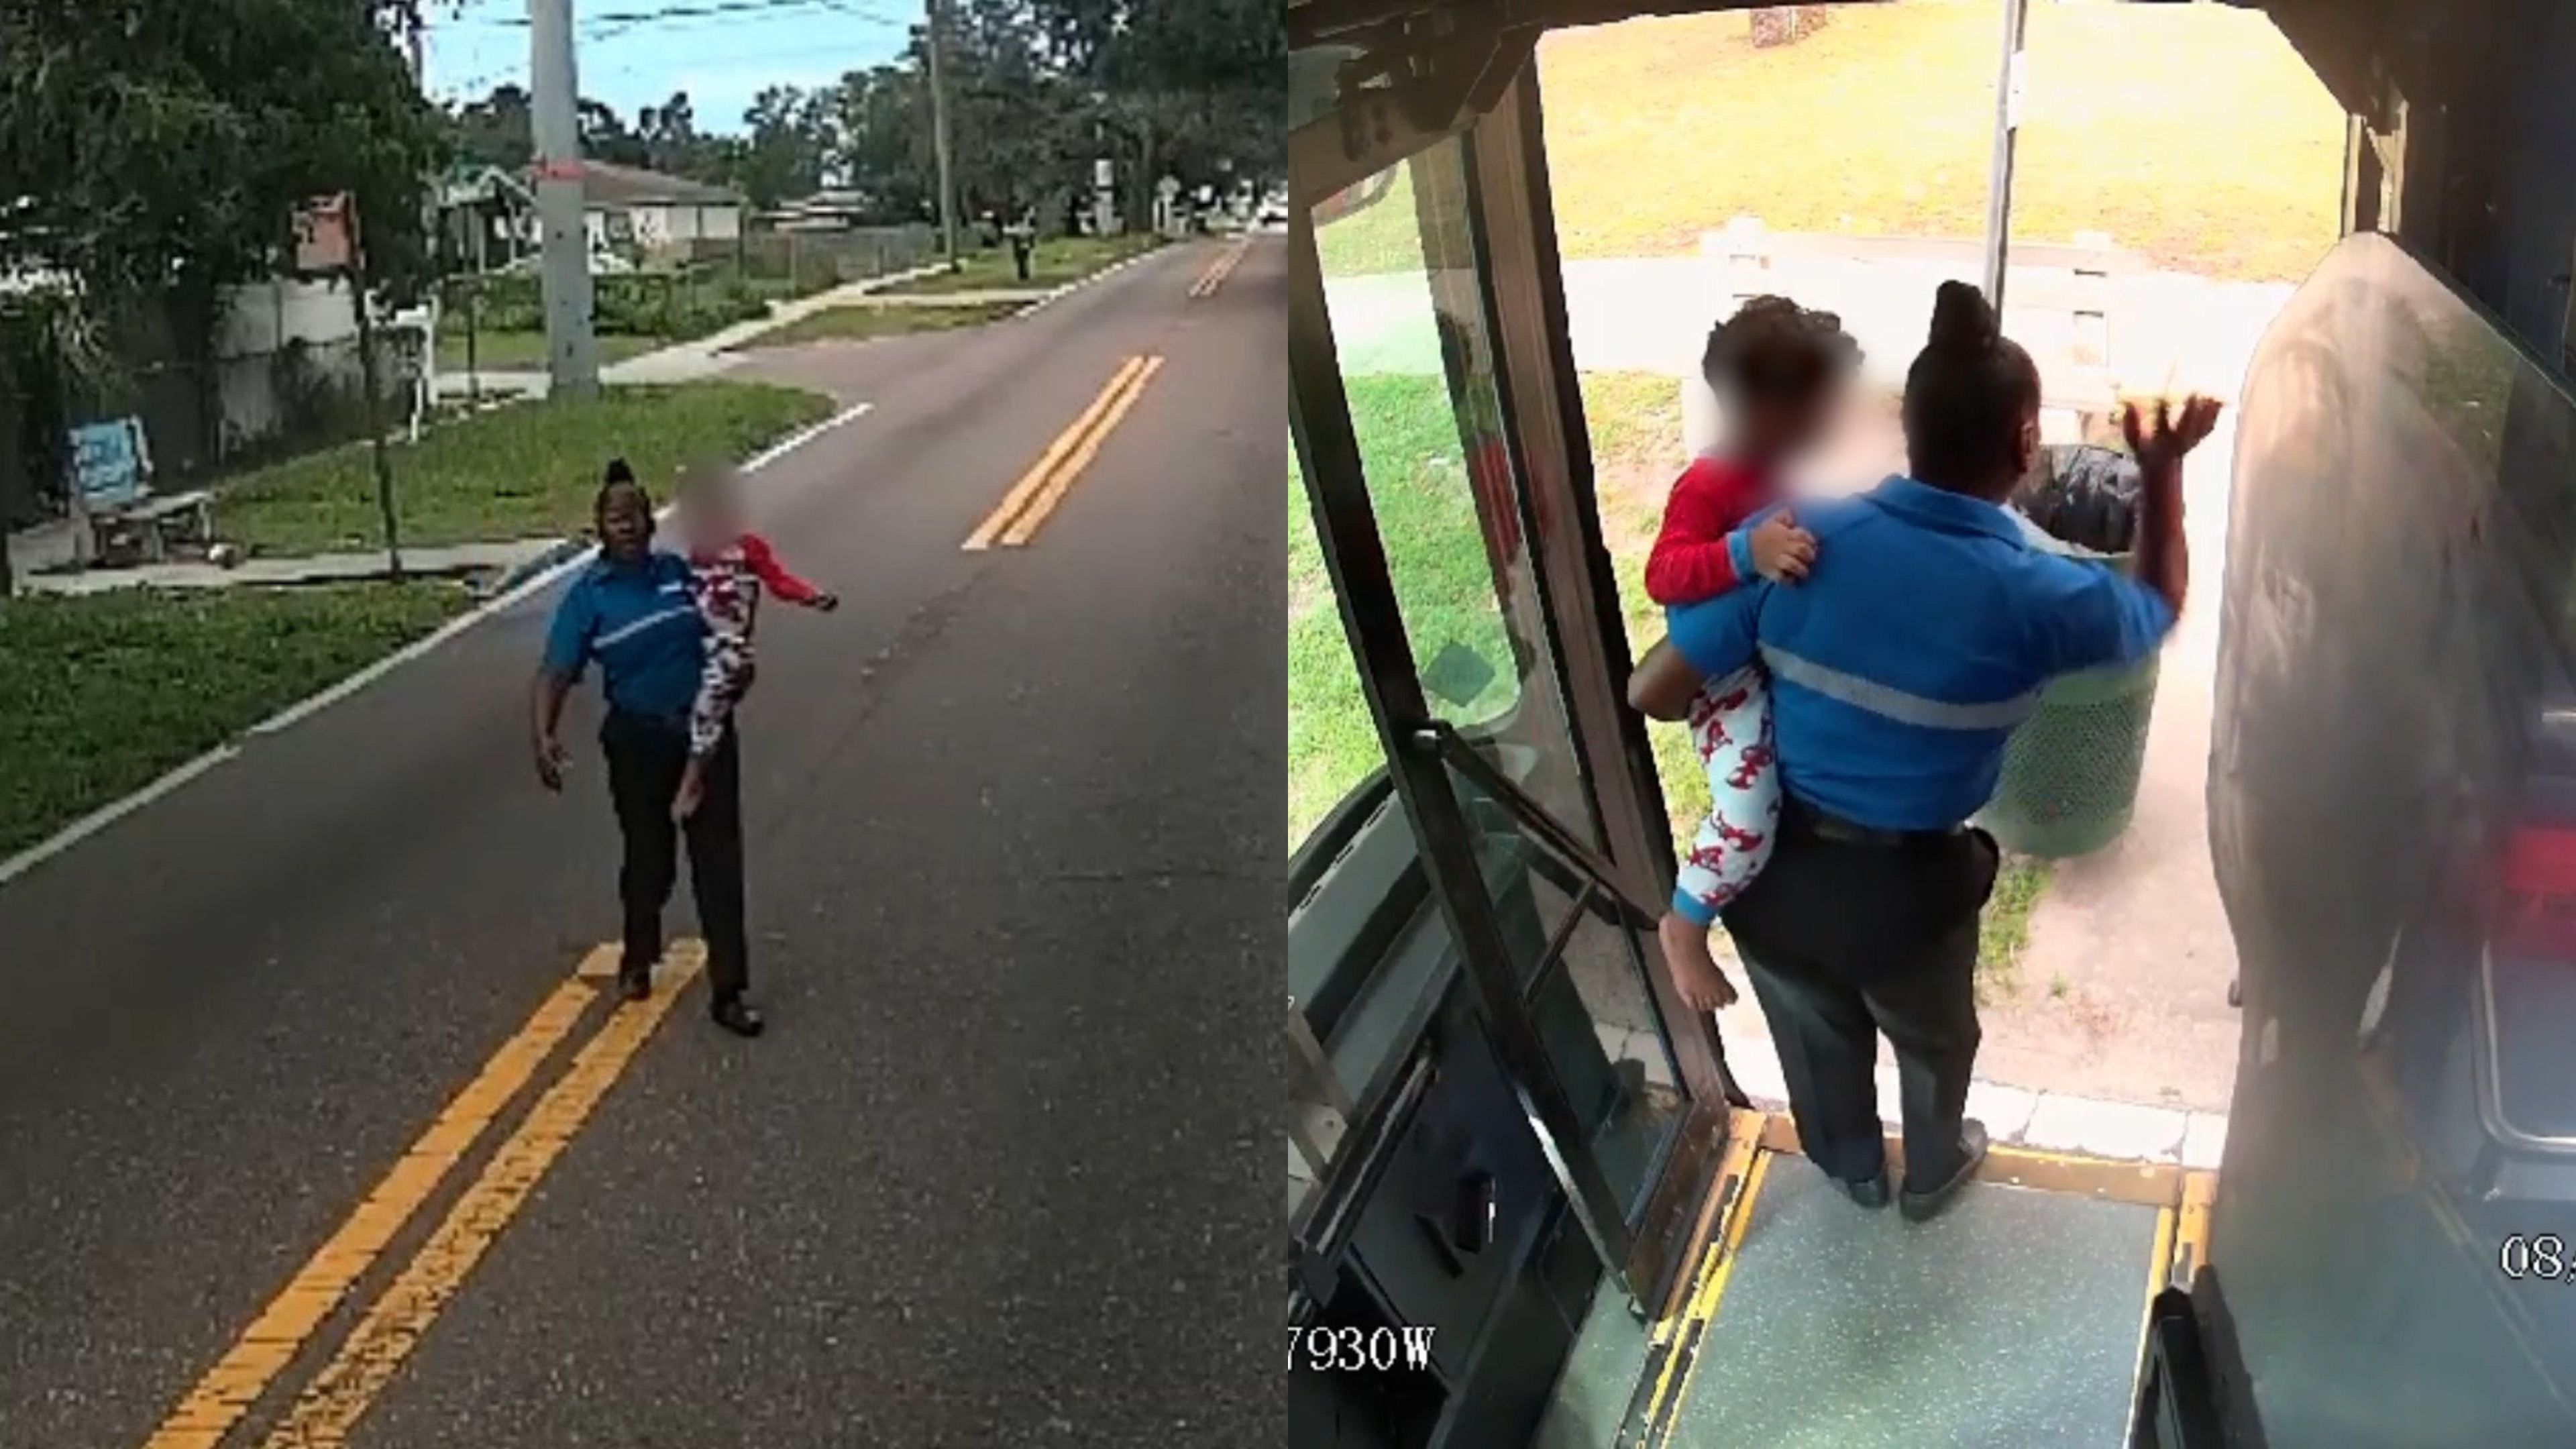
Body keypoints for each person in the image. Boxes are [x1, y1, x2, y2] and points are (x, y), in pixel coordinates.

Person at [1627, 282, 2220, 1220]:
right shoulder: (2039, 595)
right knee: (1935, 1044)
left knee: (1816, 1037)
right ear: (2027, 443)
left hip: (1774, 874)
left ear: (1908, 423)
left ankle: (1851, 1170)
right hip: (1913, 897)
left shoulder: (1796, 542)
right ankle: (1933, 1169)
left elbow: (1656, 691)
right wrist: (2162, 470)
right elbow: (2154, 612)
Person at [1642, 295, 1860, 1018]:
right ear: (1771, 412)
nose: (1832, 422)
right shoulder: (1706, 485)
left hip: (1760, 658)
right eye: (1821, 409)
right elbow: (1664, 573)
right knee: (1750, 807)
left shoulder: (1771, 476)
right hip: (1721, 676)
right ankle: (1686, 922)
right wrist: (1748, 552)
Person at [531, 460, 766, 1038]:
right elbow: (555, 672)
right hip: (636, 741)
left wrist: (739, 665)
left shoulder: (680, 576)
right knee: (649, 858)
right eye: (616, 518)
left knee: (718, 863)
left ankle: (730, 991)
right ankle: (639, 954)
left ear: (650, 522)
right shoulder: (589, 599)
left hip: (702, 740)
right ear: (601, 528)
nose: (628, 526)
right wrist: (544, 734)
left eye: (636, 515)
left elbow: (727, 628)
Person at [668, 462, 837, 823]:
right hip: (700, 643)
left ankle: (693, 778)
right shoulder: (688, 560)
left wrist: (812, 596)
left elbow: (779, 581)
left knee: (711, 699)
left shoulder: (747, 550)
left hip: (730, 647)